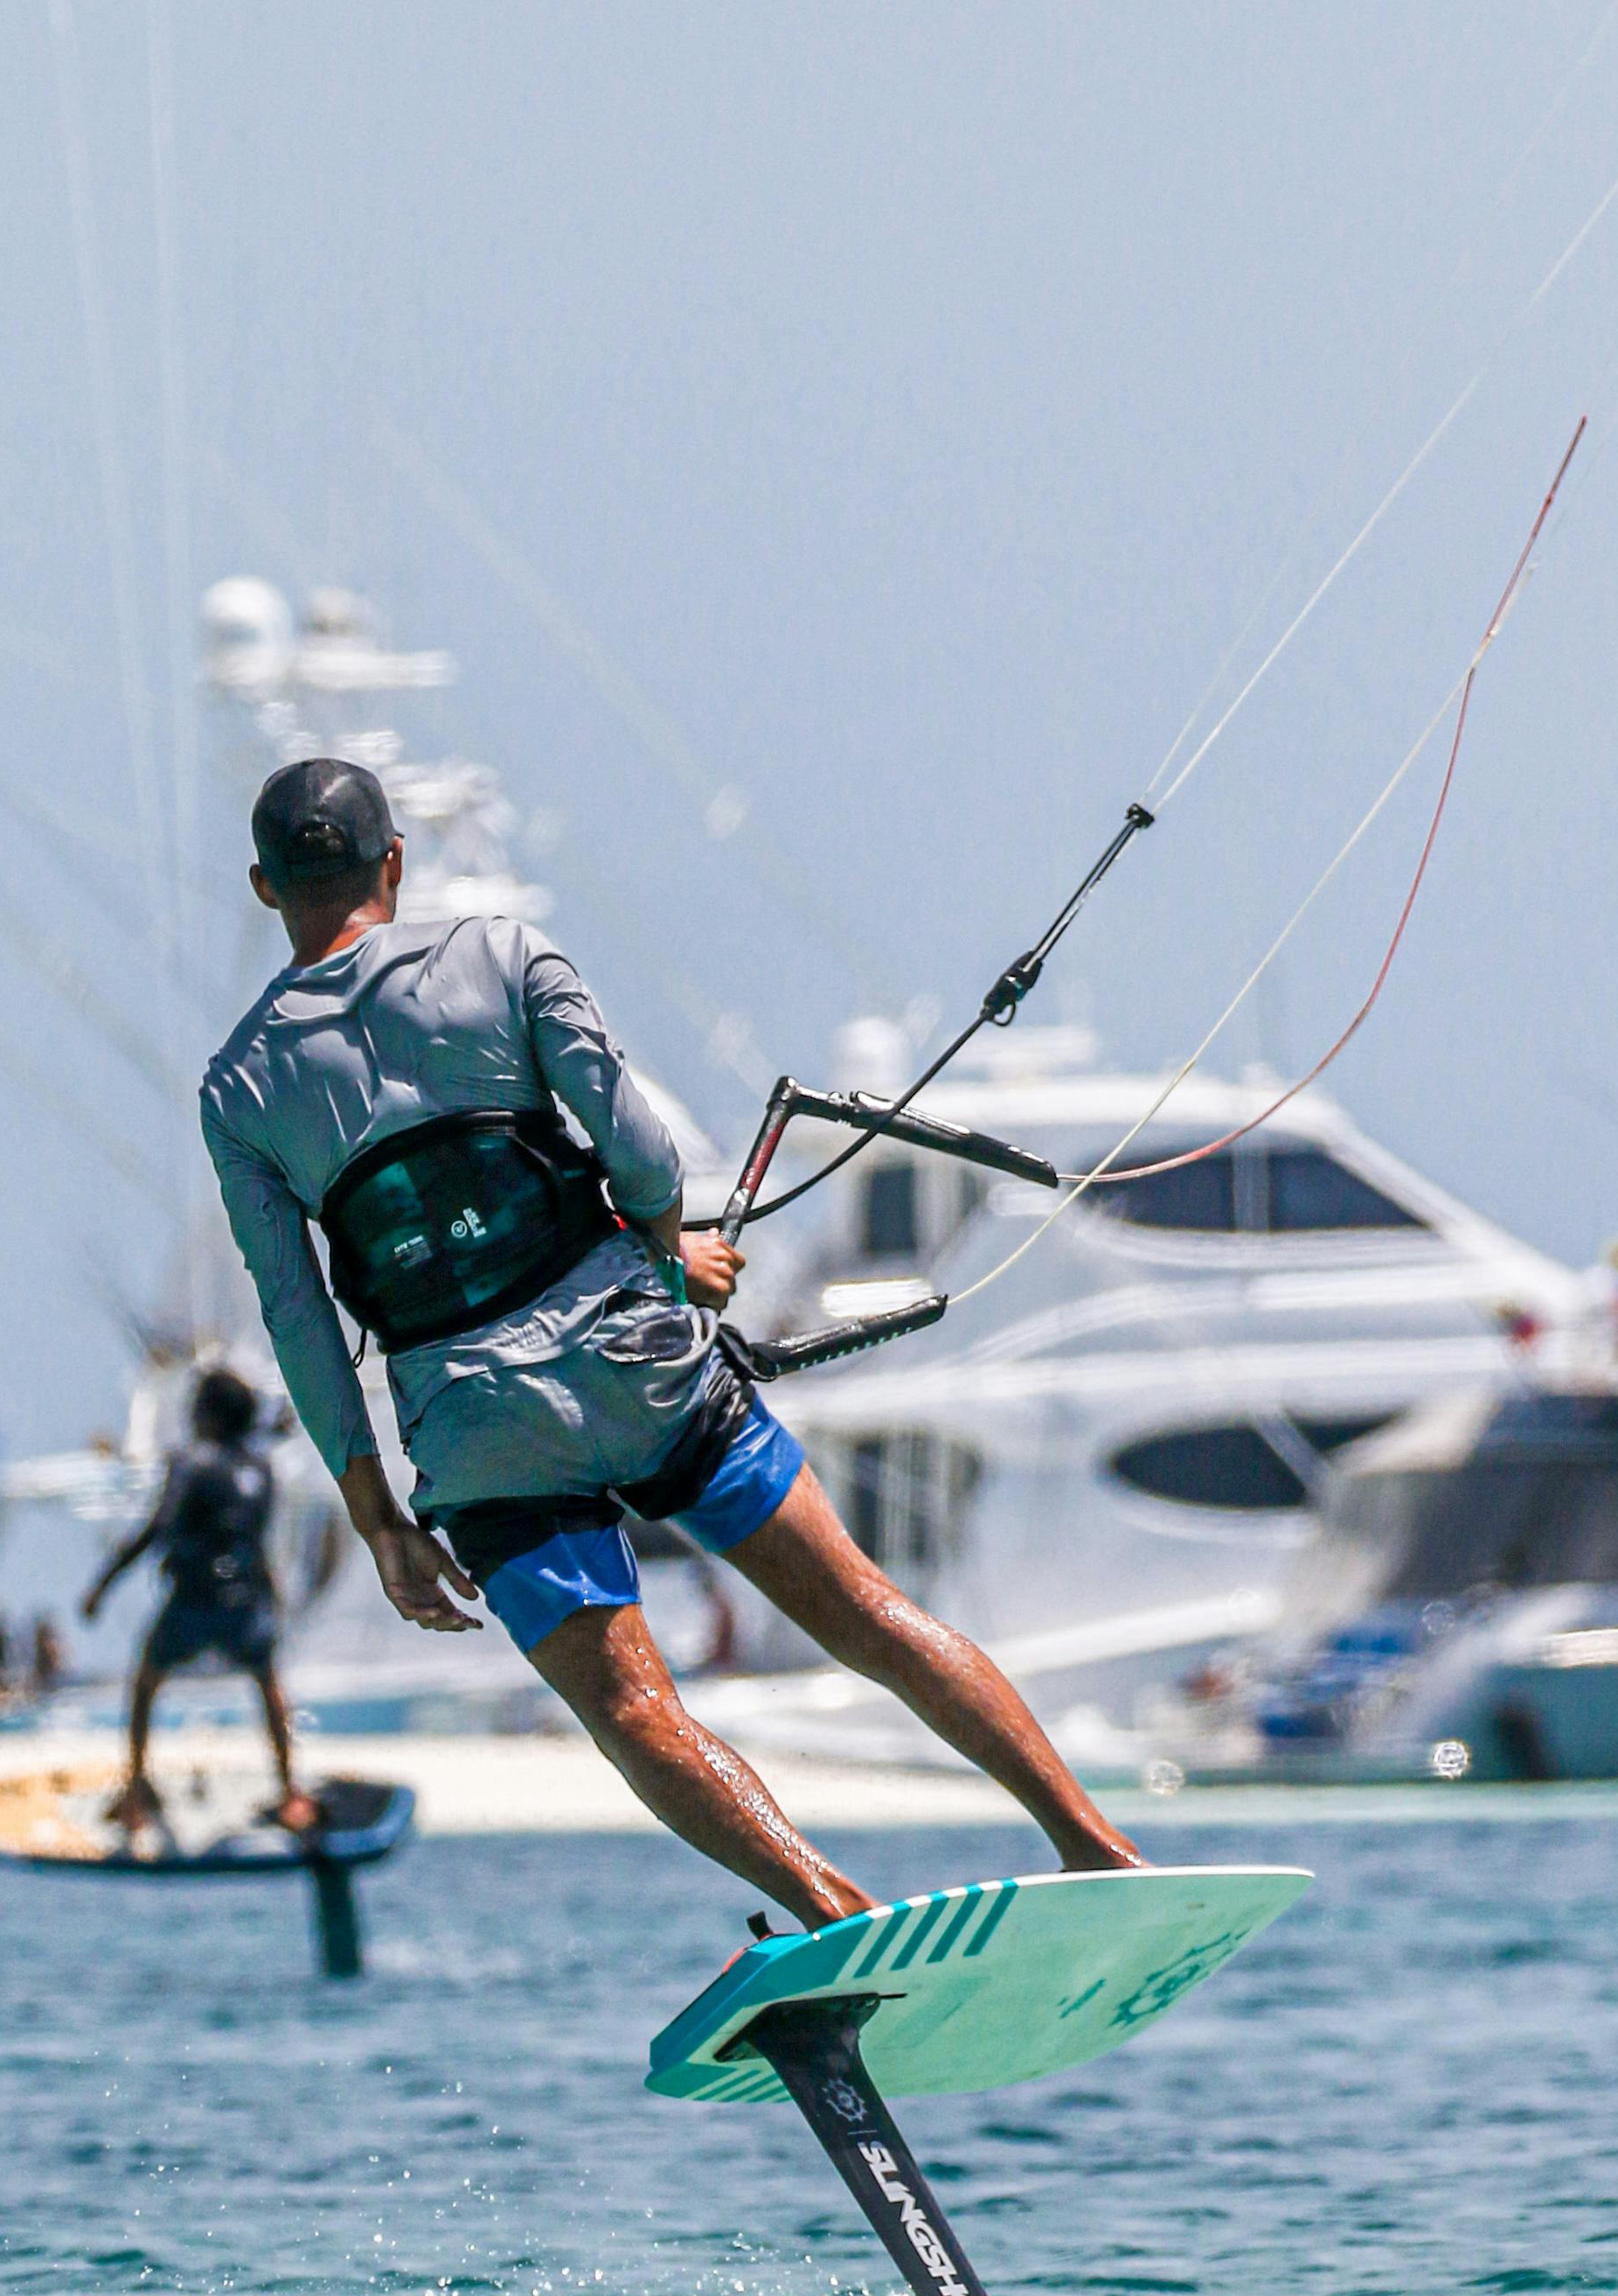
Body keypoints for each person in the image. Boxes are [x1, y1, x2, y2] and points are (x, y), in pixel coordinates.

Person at [200, 756, 1140, 1934]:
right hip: (640, 1362)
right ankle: (1096, 1850)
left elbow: (301, 1321)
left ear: (262, 887)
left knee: (637, 1711)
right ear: (396, 861)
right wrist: (663, 1252)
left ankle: (835, 1917)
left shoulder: (240, 1086)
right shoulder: (501, 955)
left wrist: (378, 1519)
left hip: (484, 1436)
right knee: (864, 1614)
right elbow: (641, 1154)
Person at [80, 1364, 318, 1840]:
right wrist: (273, 1603)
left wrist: (103, 1585)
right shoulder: (262, 1468)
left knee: (147, 1682)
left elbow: (156, 1528)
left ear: (209, 1414)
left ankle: (136, 1792)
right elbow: (259, 1543)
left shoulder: (191, 1461)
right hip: (247, 1603)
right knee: (268, 1683)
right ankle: (291, 1791)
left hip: (193, 1602)